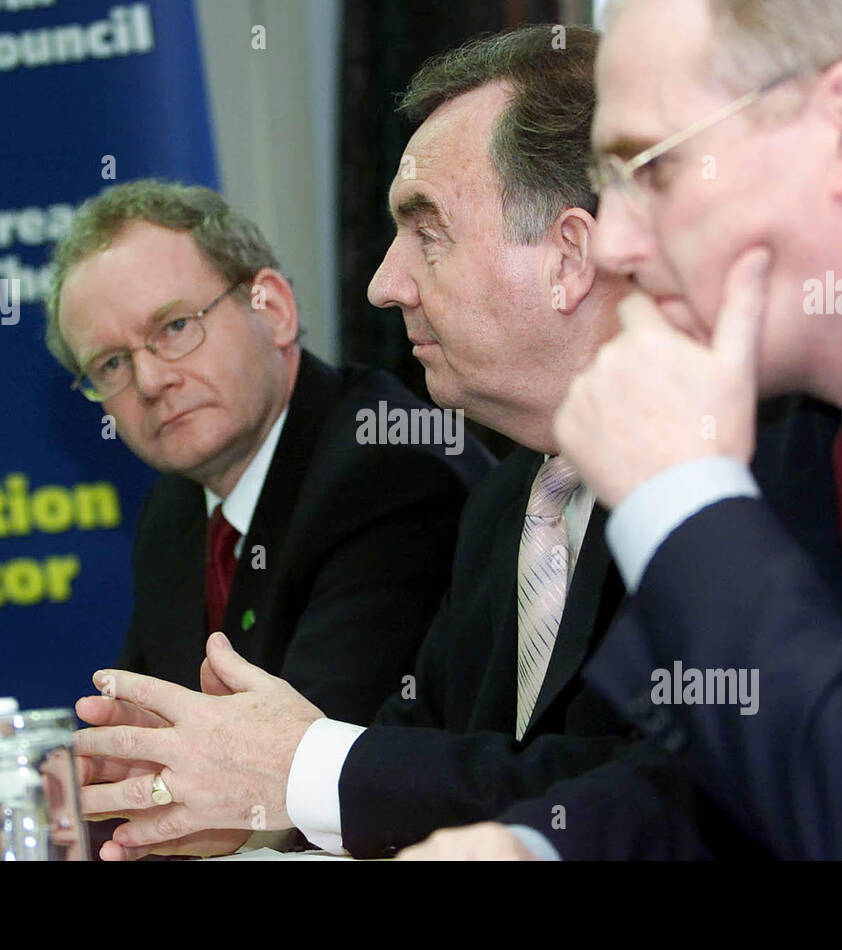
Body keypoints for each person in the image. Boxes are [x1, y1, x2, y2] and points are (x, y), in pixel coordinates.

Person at [402, 0, 842, 860]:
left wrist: (678, 495)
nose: (616, 242)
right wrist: (533, 848)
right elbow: (752, 776)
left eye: (648, 168)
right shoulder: (807, 407)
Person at [70, 26, 675, 861]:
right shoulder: (512, 500)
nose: (383, 285)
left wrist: (299, 771)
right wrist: (246, 786)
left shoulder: (728, 466)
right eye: (108, 363)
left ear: (569, 257)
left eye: (427, 234)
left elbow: (667, 792)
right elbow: (428, 752)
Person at [46, 180, 491, 729]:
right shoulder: (177, 508)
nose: (150, 380)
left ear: (274, 309)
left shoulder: (391, 471)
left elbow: (314, 762)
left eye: (175, 327)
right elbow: (140, 726)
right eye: (111, 363)